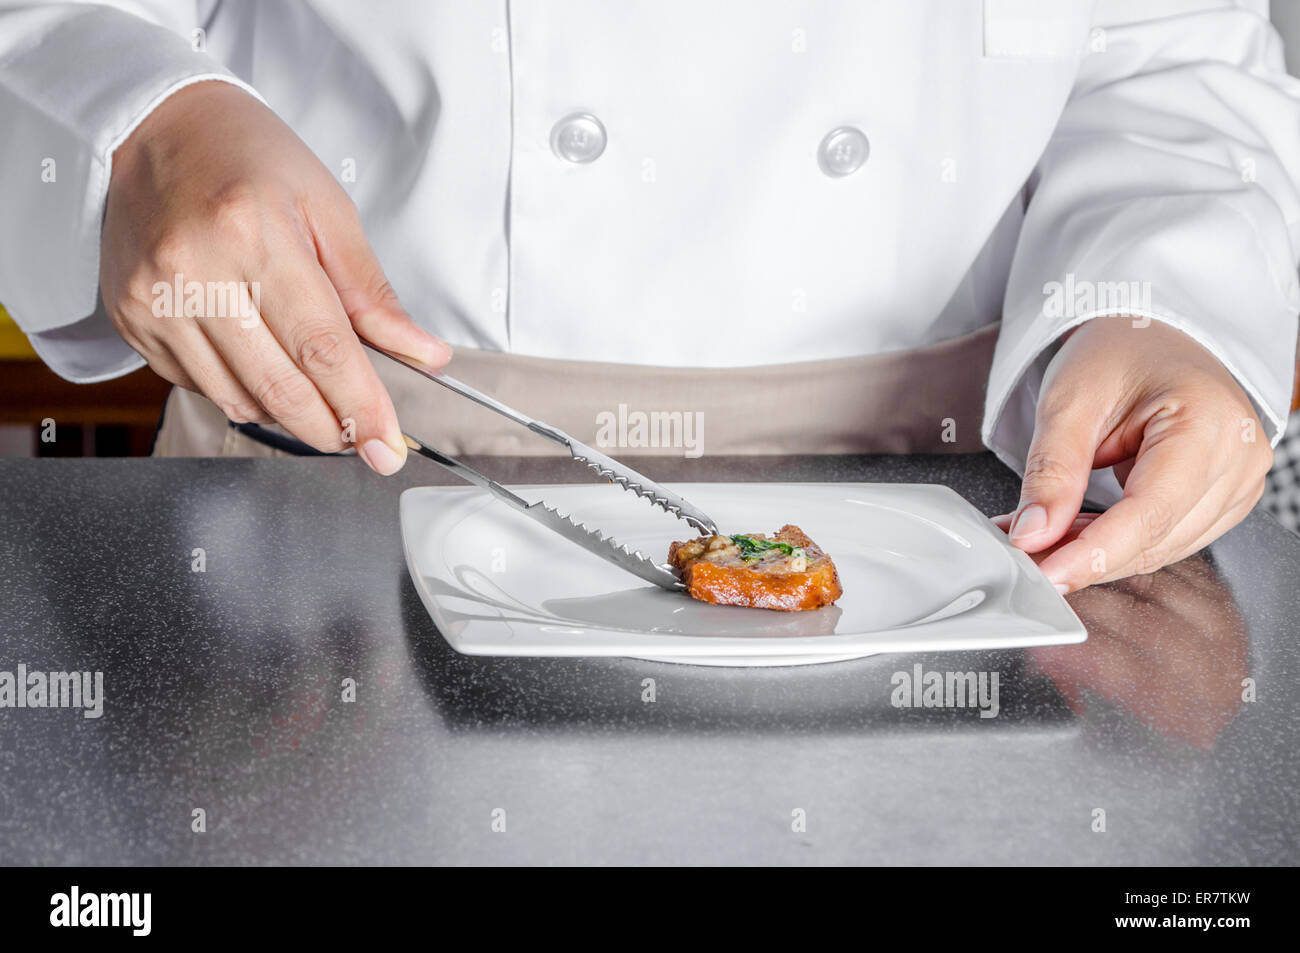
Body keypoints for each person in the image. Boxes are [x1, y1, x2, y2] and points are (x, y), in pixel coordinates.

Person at [1, 0, 1296, 595]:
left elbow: (1167, 50)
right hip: (337, 485)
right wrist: (144, 116)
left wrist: (1164, 299)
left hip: (984, 523)